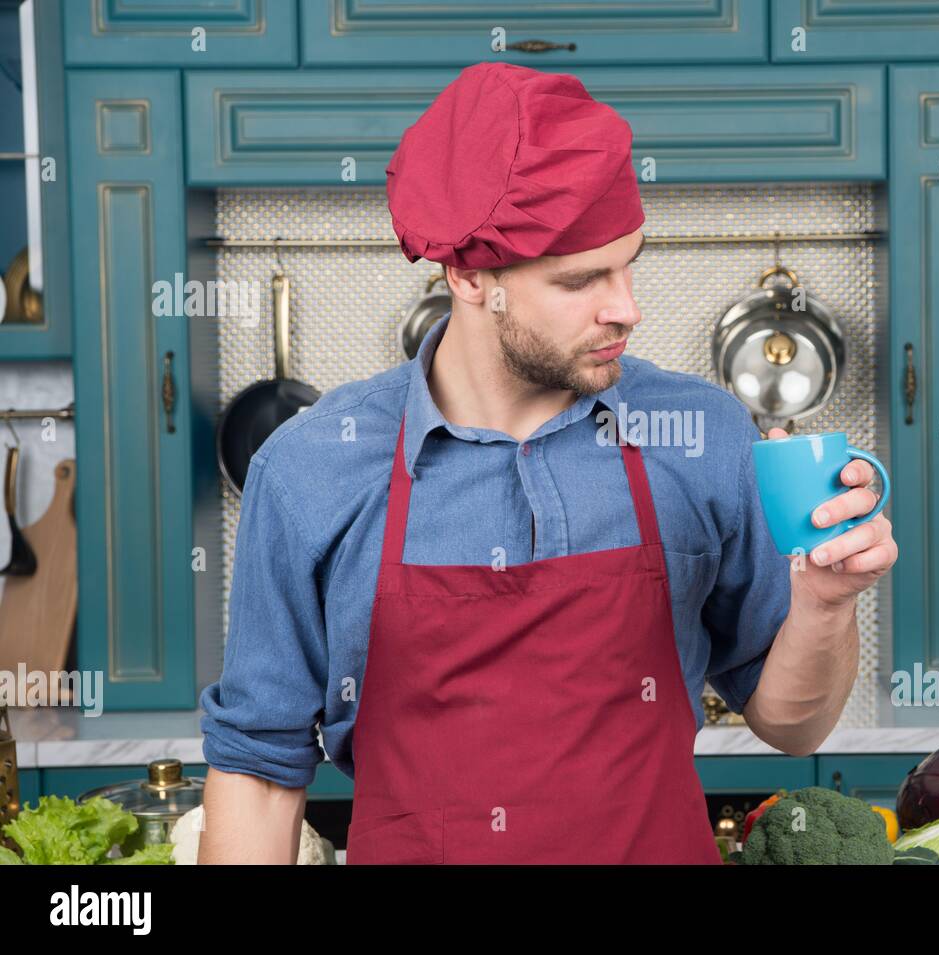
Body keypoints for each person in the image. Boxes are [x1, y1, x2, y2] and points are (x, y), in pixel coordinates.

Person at [197, 62, 897, 864]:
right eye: (581, 279)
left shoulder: (700, 434)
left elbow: (790, 720)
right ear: (468, 276)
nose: (626, 305)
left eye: (629, 263)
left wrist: (826, 606)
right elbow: (257, 772)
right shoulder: (312, 468)